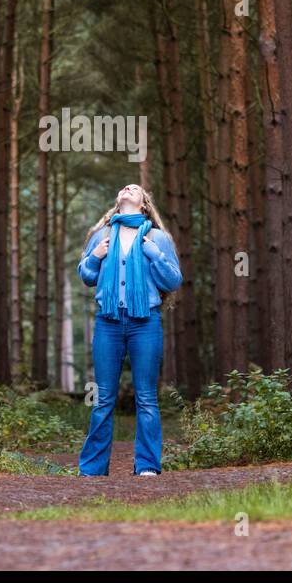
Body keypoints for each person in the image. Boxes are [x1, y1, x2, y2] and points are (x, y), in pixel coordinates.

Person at [75, 183, 182, 476]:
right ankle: (93, 468)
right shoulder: (103, 235)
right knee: (103, 398)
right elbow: (86, 275)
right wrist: (95, 255)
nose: (128, 188)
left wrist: (152, 252)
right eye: (124, 187)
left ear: (144, 204)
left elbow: (172, 281)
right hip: (108, 323)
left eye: (135, 188)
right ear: (118, 200)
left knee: (146, 397)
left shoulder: (157, 237)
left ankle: (147, 465)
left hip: (145, 322)